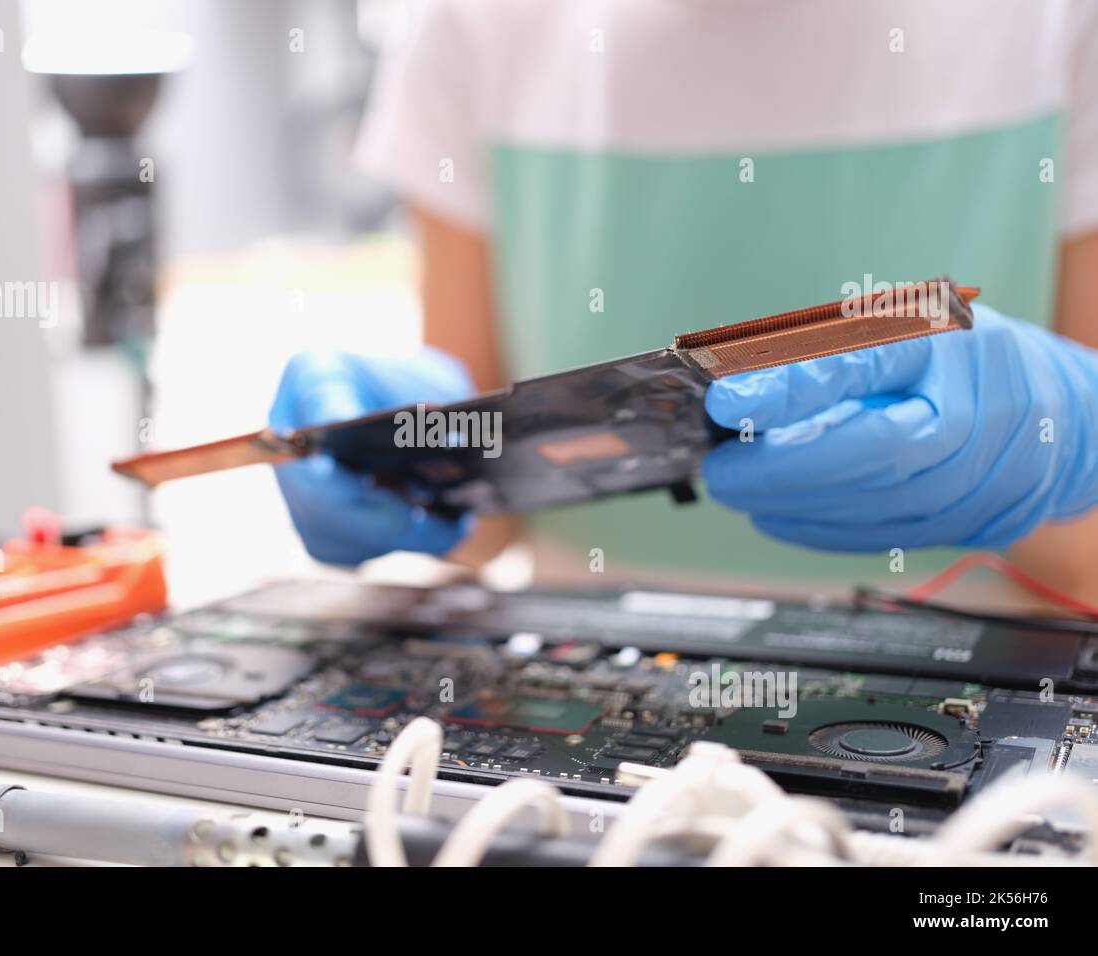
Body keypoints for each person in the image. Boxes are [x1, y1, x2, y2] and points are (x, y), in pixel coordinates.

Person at [271, 0, 1098, 598]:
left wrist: (1071, 456)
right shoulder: (473, 25)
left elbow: (1085, 560)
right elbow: (484, 527)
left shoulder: (1061, 25)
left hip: (981, 703)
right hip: (586, 697)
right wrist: (410, 462)